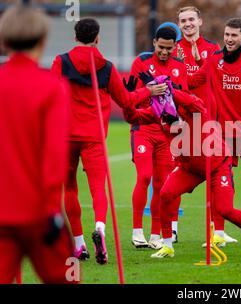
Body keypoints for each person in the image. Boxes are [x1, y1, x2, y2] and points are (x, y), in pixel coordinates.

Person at [123, 83, 241, 259]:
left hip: (217, 164)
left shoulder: (192, 106)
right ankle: (167, 245)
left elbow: (192, 102)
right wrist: (129, 101)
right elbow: (133, 117)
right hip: (190, 168)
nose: (160, 100)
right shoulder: (159, 112)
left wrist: (172, 93)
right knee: (166, 194)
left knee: (225, 209)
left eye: (164, 96)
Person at [51, 18, 154, 264]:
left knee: (71, 189)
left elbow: (50, 92)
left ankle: (79, 245)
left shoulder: (61, 62)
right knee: (99, 188)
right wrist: (148, 91)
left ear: (75, 37)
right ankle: (100, 228)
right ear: (97, 38)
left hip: (65, 135)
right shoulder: (106, 67)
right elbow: (127, 101)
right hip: (93, 137)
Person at [0, 4, 74, 283]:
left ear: (4, 42)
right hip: (39, 214)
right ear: (44, 40)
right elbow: (55, 159)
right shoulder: (52, 86)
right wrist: (53, 213)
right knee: (71, 277)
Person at [188, 18, 241, 245]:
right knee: (220, 180)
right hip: (222, 131)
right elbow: (194, 80)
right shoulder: (215, 59)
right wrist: (169, 82)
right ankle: (219, 233)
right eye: (226, 35)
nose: (229, 39)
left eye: (234, 35)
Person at [175, 6, 237, 246]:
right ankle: (171, 232)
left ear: (200, 21)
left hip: (210, 122)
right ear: (179, 25)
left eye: (191, 19)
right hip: (183, 122)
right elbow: (177, 83)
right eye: (183, 21)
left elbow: (222, 77)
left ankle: (218, 232)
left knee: (217, 175)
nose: (188, 24)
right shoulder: (174, 50)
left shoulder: (212, 50)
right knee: (177, 173)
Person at [125, 26, 187, 249]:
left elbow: (184, 99)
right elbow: (129, 96)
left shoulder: (179, 67)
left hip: (167, 134)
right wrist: (150, 91)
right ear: (154, 43)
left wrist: (179, 116)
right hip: (143, 128)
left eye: (169, 49)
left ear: (175, 47)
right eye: (161, 47)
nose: (164, 52)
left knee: (162, 184)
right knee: (144, 177)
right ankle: (136, 231)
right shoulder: (140, 62)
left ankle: (155, 235)